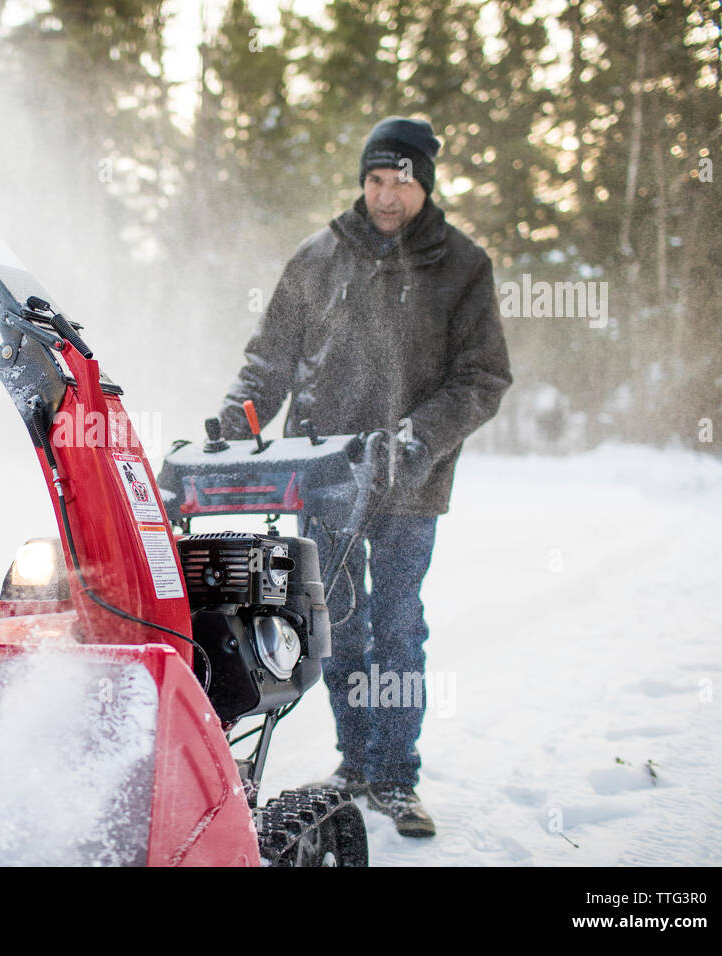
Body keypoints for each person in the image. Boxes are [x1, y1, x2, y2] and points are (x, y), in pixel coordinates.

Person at [216, 116, 512, 837]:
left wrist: (417, 440)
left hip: (411, 479)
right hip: (323, 475)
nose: (386, 195)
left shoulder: (462, 266)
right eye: (376, 180)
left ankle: (395, 774)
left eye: (400, 181)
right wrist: (240, 415)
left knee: (398, 623)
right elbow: (270, 361)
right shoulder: (318, 258)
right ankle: (355, 763)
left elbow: (484, 377)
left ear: (424, 185)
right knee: (338, 622)